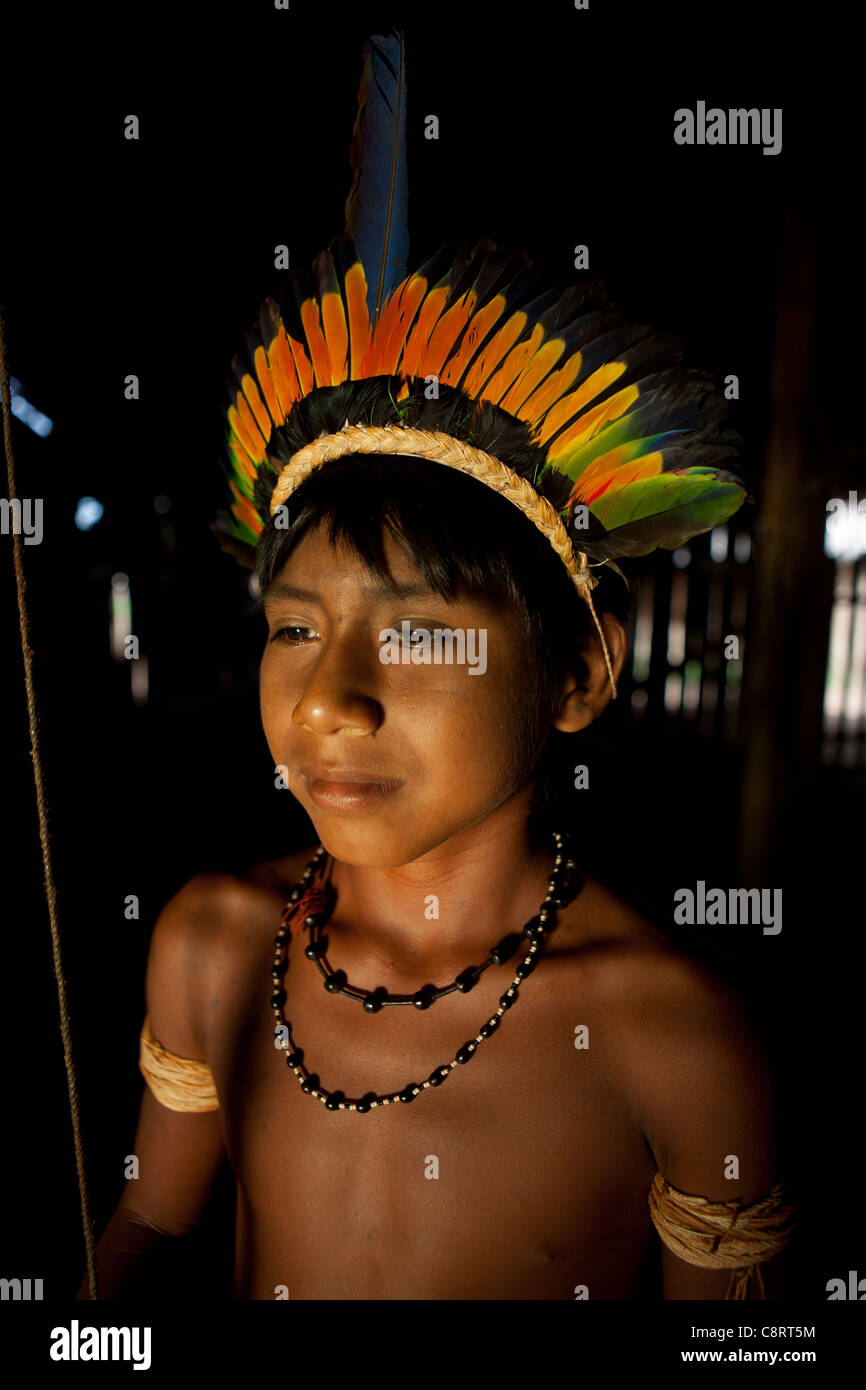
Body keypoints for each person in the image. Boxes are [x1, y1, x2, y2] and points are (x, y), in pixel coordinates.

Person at [77, 30, 793, 1301]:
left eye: (414, 632)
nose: (328, 699)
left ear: (575, 675)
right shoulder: (209, 942)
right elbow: (150, 1229)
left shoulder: (668, 1035)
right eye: (294, 628)